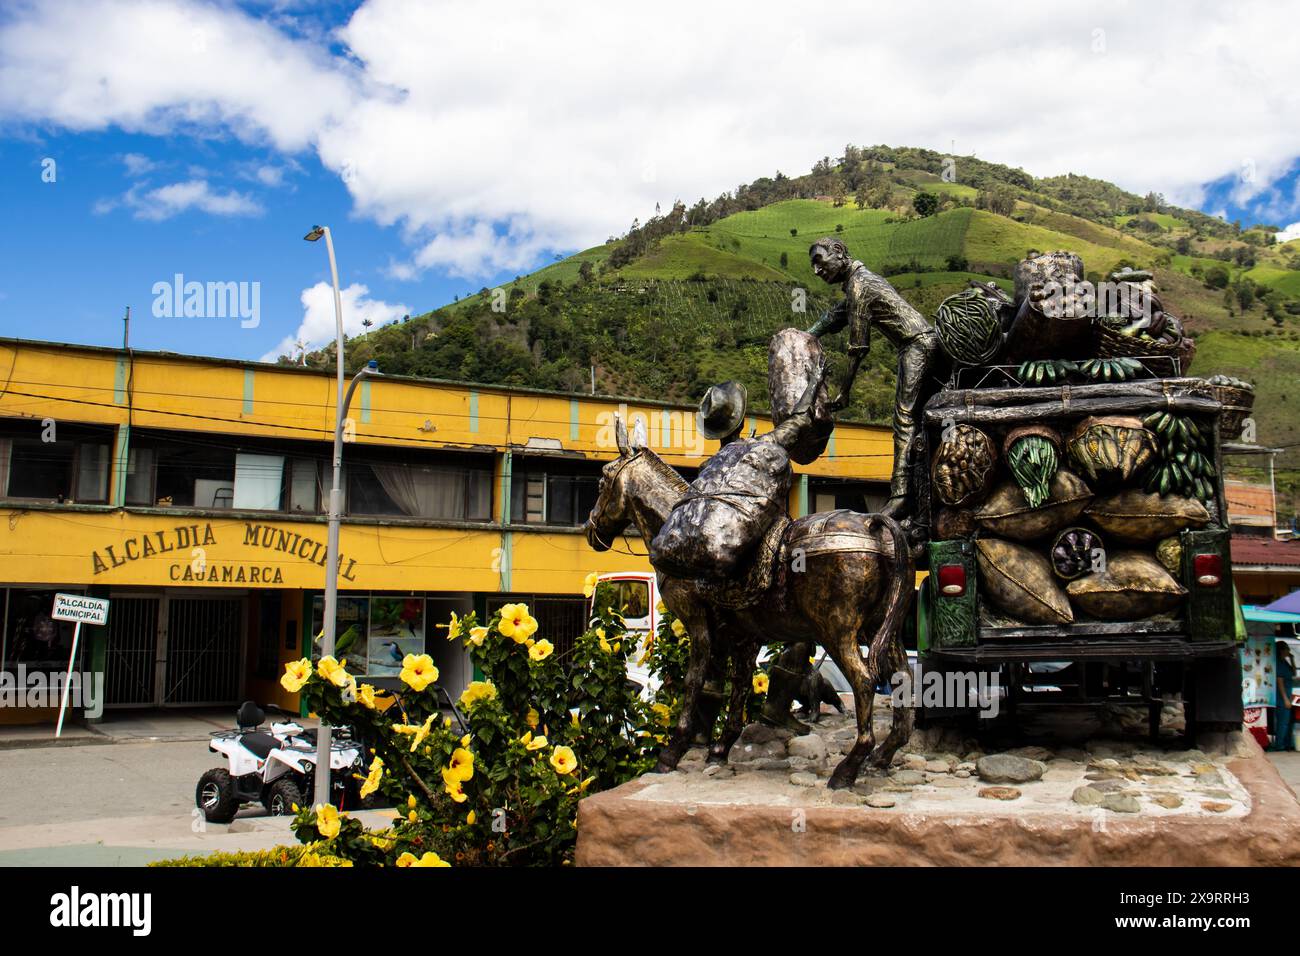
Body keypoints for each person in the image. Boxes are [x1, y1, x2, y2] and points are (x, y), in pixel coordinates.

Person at [806, 236, 940, 519]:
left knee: (904, 418)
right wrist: (808, 334)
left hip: (917, 345)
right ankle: (921, 490)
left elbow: (857, 348)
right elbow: (837, 315)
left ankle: (901, 495)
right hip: (918, 345)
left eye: (819, 262)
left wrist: (844, 392)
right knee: (922, 420)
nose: (817, 271)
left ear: (839, 252)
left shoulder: (859, 285)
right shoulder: (860, 281)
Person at [1273, 641, 1296, 752]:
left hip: (1287, 694)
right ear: (1282, 650)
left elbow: (1294, 673)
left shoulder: (1285, 662)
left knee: (1287, 721)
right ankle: (1279, 745)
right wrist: (1286, 699)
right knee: (1283, 722)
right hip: (1282, 697)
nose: (1289, 651)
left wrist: (1292, 659)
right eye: (1287, 648)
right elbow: (1280, 681)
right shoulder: (1279, 663)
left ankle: (1287, 743)